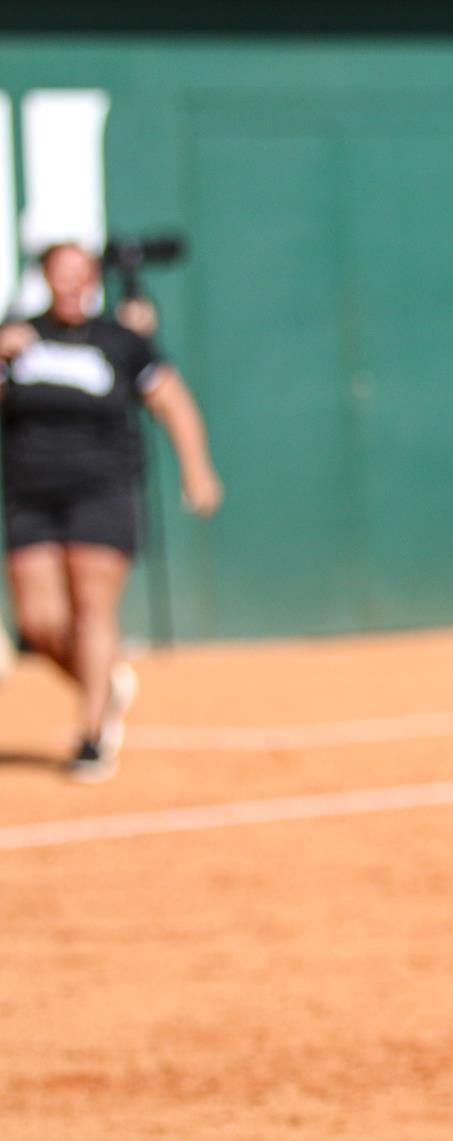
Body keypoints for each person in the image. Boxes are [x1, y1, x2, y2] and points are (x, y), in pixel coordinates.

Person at [0, 242, 222, 781]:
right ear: (47, 279)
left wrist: (197, 468)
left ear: (93, 280)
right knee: (40, 622)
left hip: (102, 489)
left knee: (92, 607)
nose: (72, 283)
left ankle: (92, 732)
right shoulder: (20, 338)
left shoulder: (121, 341)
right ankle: (104, 683)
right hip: (31, 493)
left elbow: (172, 401)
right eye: (62, 273)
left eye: (82, 273)